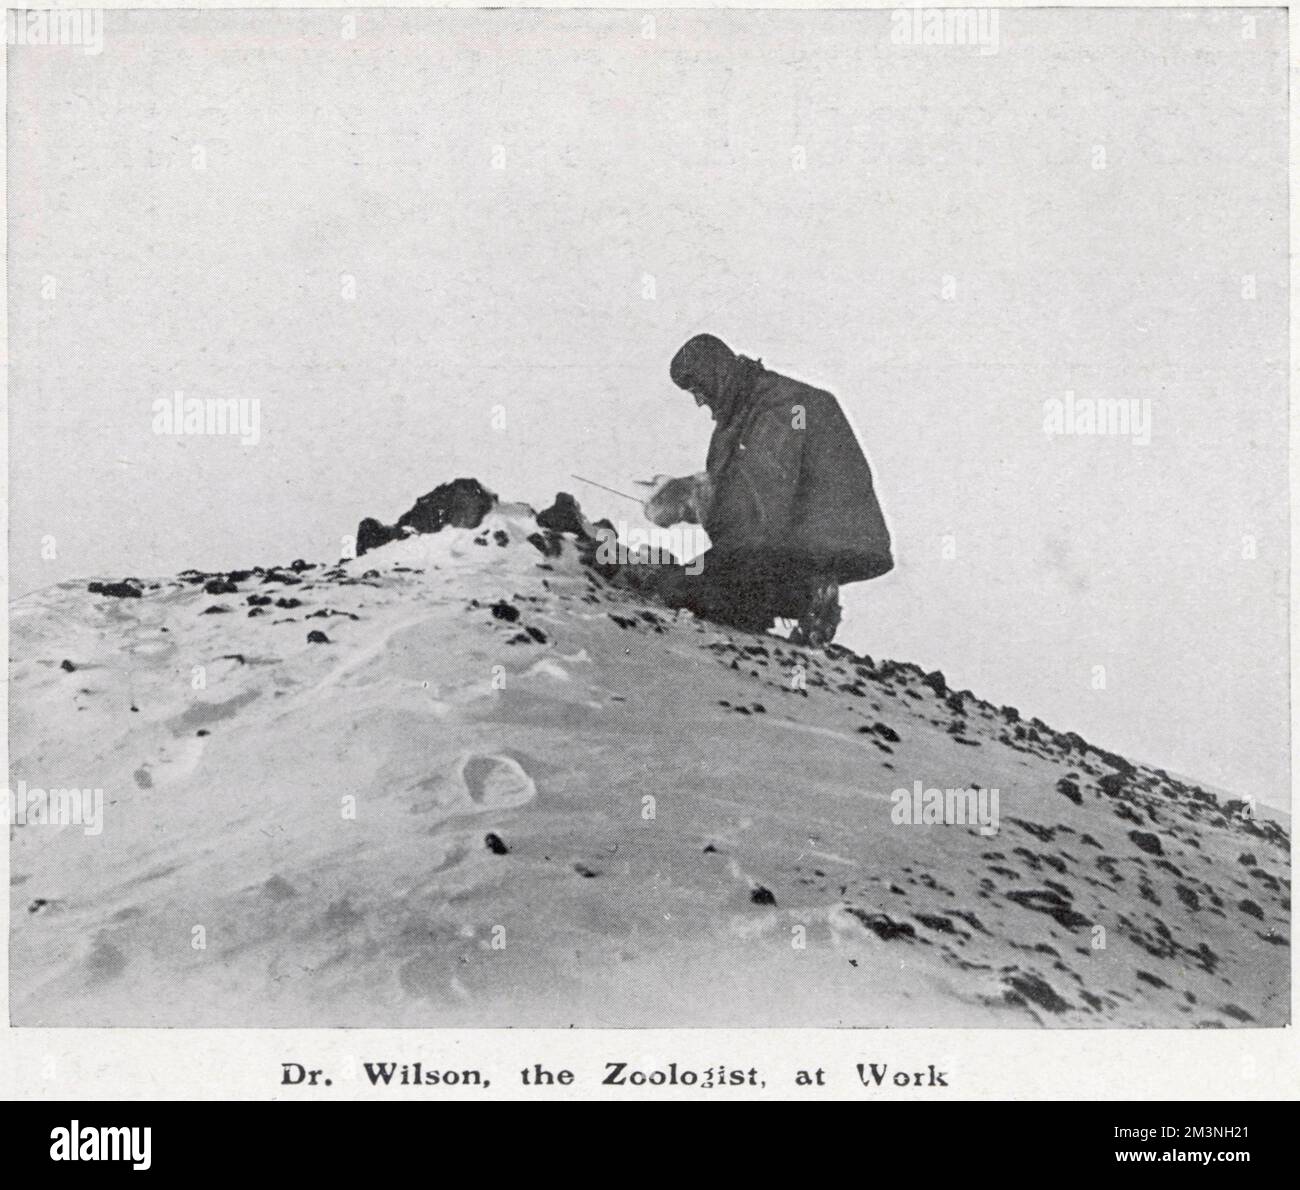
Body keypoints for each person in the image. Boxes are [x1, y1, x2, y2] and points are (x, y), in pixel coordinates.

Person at [643, 333, 892, 646]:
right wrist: (690, 497)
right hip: (796, 543)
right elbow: (747, 490)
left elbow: (762, 493)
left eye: (698, 389)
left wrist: (692, 494)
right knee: (699, 584)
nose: (698, 401)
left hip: (806, 546)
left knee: (677, 586)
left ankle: (803, 596)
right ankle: (801, 598)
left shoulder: (783, 406)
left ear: (716, 375)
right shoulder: (761, 404)